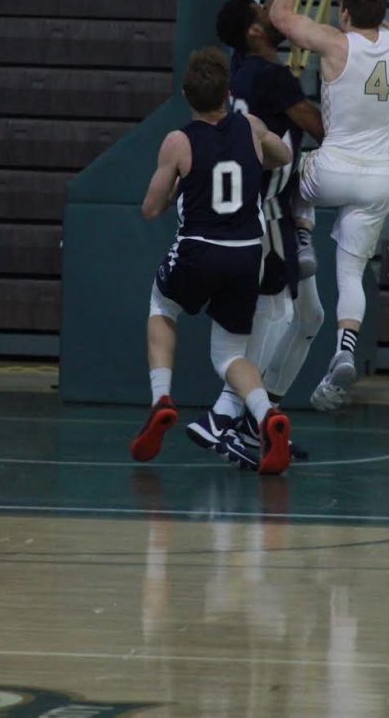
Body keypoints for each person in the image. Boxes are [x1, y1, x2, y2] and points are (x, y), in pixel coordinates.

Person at [130, 46, 294, 475]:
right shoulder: (251, 126)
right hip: (246, 253)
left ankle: (161, 398)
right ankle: (264, 415)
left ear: (188, 95)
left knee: (162, 308)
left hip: (200, 246)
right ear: (227, 93)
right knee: (229, 354)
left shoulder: (179, 141)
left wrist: (175, 188)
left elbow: (150, 208)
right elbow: (284, 156)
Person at [185, 0, 325, 465]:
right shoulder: (270, 76)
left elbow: (269, 14)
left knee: (309, 317)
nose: (274, 11)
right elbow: (321, 128)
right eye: (263, 11)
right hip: (264, 210)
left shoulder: (241, 67)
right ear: (253, 31)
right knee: (279, 315)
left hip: (263, 207)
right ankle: (229, 415)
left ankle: (262, 414)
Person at [270, 0, 389, 411]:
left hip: (332, 168)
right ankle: (344, 350)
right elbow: (360, 7)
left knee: (291, 169)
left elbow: (280, 17)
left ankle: (302, 238)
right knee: (351, 273)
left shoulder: (334, 44)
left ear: (343, 14)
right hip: (380, 179)